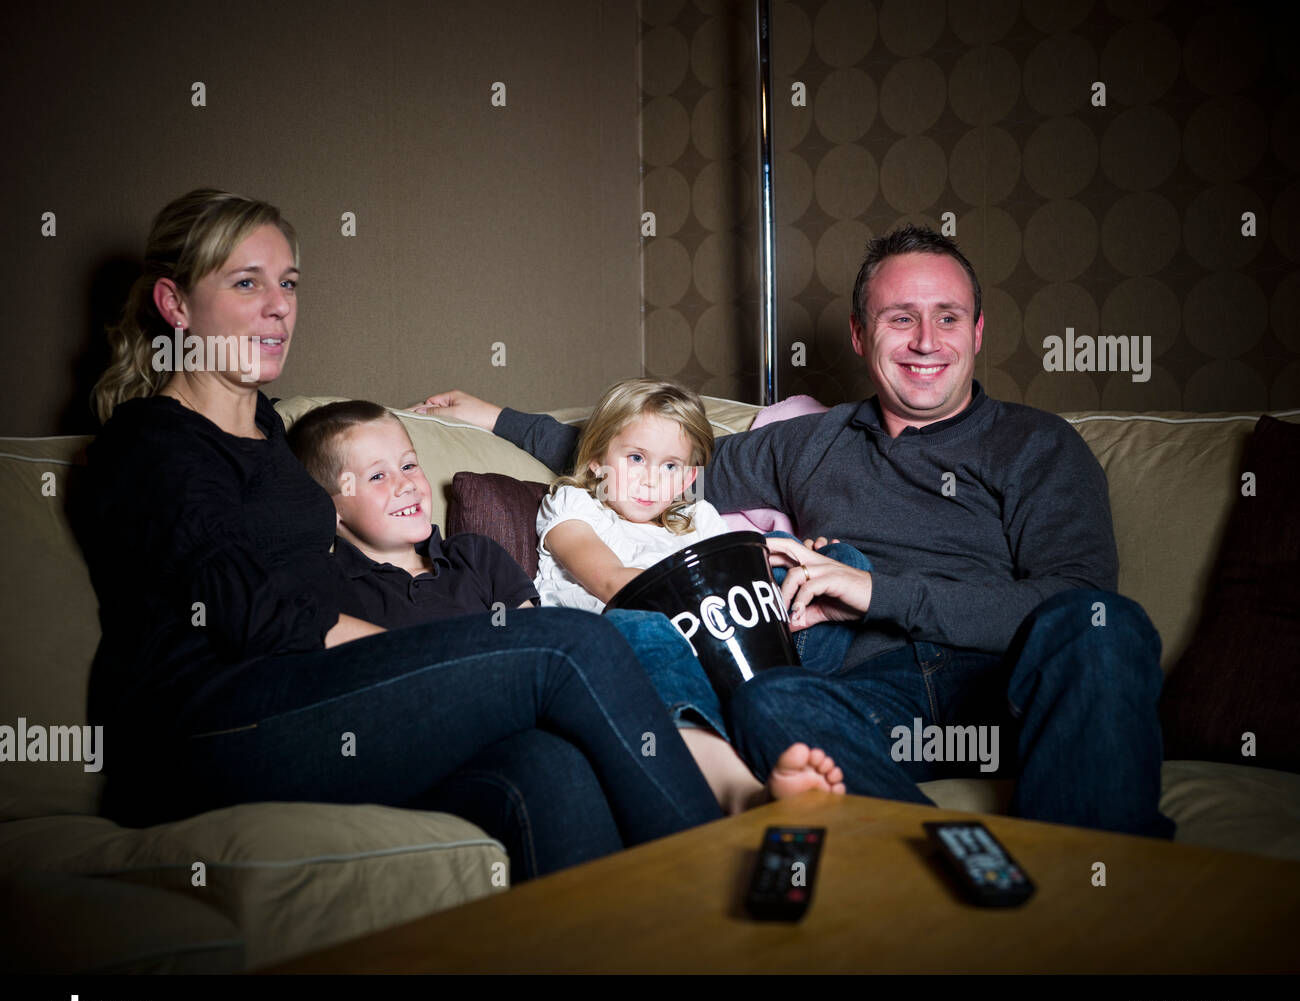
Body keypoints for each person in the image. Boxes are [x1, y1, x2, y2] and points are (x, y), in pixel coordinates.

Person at [418, 224, 1174, 839]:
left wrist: (878, 590)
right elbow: (647, 467)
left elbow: (1078, 601)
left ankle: (1088, 900)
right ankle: (948, 875)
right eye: (898, 318)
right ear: (858, 333)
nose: (924, 340)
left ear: (977, 331)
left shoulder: (1040, 445)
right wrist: (494, 419)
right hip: (871, 699)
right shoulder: (810, 443)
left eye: (947, 317)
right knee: (769, 702)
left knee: (1103, 625)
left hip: (1007, 686)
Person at [81, 188, 730, 884]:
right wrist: (454, 654)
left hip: (301, 698)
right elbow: (260, 615)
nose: (279, 306)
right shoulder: (151, 442)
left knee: (548, 767)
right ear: (175, 306)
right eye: (247, 282)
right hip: (202, 732)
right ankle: (724, 890)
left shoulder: (270, 434)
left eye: (289, 283)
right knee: (570, 645)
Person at [286, 395, 846, 815]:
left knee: (841, 567)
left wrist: (781, 566)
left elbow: (537, 641)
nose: (408, 484)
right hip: (457, 706)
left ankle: (803, 745)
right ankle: (743, 789)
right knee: (635, 628)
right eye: (378, 476)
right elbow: (603, 590)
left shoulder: (472, 557)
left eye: (410, 465)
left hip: (546, 691)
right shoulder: (325, 581)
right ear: (324, 507)